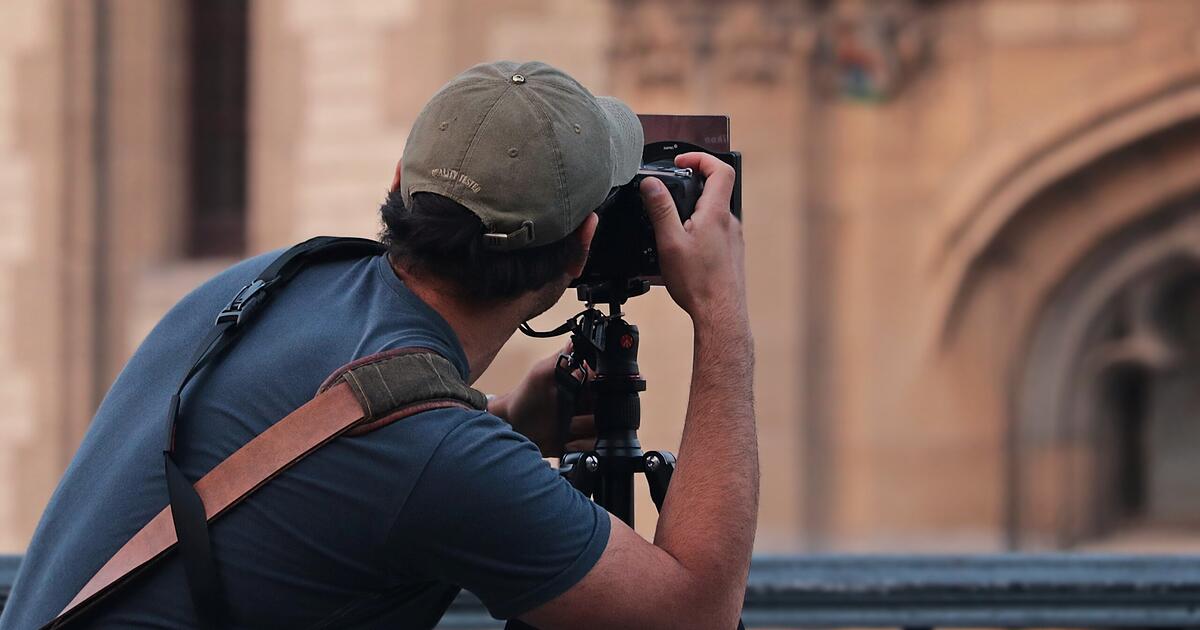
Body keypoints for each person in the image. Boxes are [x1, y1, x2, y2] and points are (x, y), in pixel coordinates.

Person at [0, 60, 756, 629]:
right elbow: (693, 614)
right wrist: (720, 314)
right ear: (581, 247)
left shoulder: (270, 282)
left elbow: (348, 472)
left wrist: (499, 427)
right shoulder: (435, 455)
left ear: (401, 182)